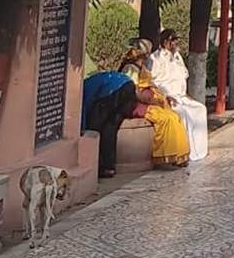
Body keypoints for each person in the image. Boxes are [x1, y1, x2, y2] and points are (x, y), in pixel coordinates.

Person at [120, 40, 189, 168]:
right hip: (136, 104)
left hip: (149, 101)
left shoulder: (143, 68)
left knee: (175, 116)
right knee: (166, 119)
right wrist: (150, 99)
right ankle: (165, 155)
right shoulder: (130, 69)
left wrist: (163, 97)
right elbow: (132, 91)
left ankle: (178, 154)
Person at [149, 29, 208, 162]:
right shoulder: (155, 58)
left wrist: (186, 95)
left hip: (181, 96)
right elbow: (153, 82)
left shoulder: (177, 57)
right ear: (165, 42)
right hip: (167, 98)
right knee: (182, 114)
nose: (175, 43)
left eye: (176, 40)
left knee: (200, 109)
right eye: (173, 40)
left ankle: (199, 150)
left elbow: (182, 77)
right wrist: (164, 97)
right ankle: (184, 151)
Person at [81, 68, 142, 178]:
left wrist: (84, 128)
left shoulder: (84, 88)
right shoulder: (95, 80)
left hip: (112, 91)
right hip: (128, 87)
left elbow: (86, 108)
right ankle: (109, 167)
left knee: (94, 128)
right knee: (110, 129)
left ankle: (95, 166)